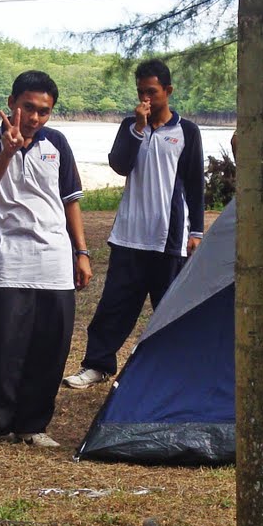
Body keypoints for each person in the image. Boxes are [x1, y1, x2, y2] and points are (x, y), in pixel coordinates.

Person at [0, 71, 91, 447]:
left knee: (50, 346)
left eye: (44, 111)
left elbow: (70, 199)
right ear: (12, 103)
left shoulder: (57, 144)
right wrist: (8, 151)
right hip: (9, 257)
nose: (35, 117)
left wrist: (81, 252)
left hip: (55, 258)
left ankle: (33, 425)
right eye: (28, 107)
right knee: (0, 345)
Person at [63, 58, 204, 389]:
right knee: (114, 305)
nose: (146, 99)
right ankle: (97, 365)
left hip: (170, 237)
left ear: (167, 91)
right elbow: (119, 164)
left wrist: (196, 231)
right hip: (130, 235)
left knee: (169, 309)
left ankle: (170, 370)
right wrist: (138, 128)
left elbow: (196, 183)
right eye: (141, 92)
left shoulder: (187, 131)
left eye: (152, 92)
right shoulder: (131, 125)